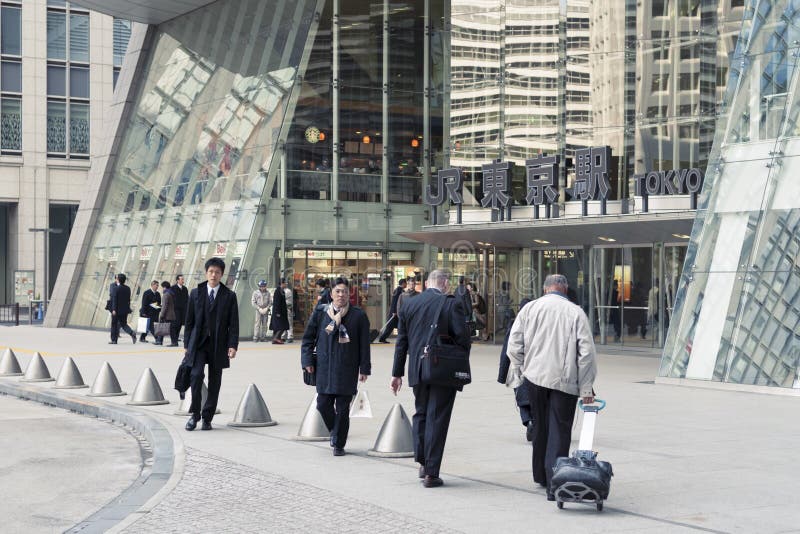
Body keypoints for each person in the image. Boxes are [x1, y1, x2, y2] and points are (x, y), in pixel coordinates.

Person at [506, 274, 597, 500]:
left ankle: (540, 475)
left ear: (546, 289)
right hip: (564, 380)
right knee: (560, 429)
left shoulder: (529, 309)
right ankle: (554, 482)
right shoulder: (576, 312)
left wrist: (520, 367)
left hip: (535, 376)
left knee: (541, 426)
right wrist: (586, 387)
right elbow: (586, 354)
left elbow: (514, 343)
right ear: (564, 289)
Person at [391, 269, 471, 488]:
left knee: (422, 413)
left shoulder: (409, 304)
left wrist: (396, 373)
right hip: (440, 369)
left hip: (417, 369)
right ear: (445, 283)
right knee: (438, 417)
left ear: (427, 284)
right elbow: (463, 337)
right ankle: (432, 473)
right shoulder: (450, 303)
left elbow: (402, 342)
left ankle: (423, 463)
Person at [301, 277, 371, 456]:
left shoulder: (358, 315)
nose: (341, 295)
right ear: (331, 293)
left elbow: (364, 344)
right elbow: (308, 338)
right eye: (338, 291)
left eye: (345, 292)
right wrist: (307, 360)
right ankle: (335, 431)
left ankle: (339, 444)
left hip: (347, 368)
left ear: (349, 294)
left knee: (342, 408)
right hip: (324, 367)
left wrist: (364, 368)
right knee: (322, 404)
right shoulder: (320, 313)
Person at [183, 258, 239, 431]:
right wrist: (186, 344)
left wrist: (233, 345)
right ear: (206, 273)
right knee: (196, 375)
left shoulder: (229, 296)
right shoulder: (195, 293)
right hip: (198, 344)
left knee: (215, 382)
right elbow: (189, 321)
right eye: (211, 271)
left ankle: (207, 417)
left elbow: (234, 323)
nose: (213, 275)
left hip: (219, 345)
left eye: (217, 272)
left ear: (221, 274)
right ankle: (195, 415)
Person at [497, 298, 533, 441]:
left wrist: (502, 374)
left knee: (522, 397)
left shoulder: (515, 323)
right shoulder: (539, 323)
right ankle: (535, 422)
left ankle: (529, 421)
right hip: (536, 367)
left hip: (518, 367)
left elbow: (507, 349)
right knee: (535, 398)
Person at [378, 278, 407, 343]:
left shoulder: (399, 290)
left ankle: (400, 339)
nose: (406, 284)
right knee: (391, 326)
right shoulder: (399, 291)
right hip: (395, 313)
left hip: (397, 312)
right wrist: (394, 311)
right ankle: (382, 338)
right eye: (406, 283)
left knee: (398, 326)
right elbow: (395, 301)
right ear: (403, 283)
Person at [110, 273, 136, 344]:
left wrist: (114, 309)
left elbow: (114, 300)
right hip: (125, 310)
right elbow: (128, 300)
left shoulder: (116, 288)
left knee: (114, 324)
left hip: (117, 310)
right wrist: (128, 308)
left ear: (118, 279)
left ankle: (114, 340)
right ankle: (131, 332)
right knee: (124, 324)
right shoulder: (128, 288)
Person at [270, 277, 289, 344]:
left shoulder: (281, 291)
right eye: (285, 283)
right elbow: (277, 302)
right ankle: (276, 338)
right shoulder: (278, 291)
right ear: (282, 283)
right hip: (278, 312)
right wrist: (277, 312)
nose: (286, 284)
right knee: (281, 326)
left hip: (281, 312)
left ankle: (276, 339)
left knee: (277, 326)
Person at [172, 274, 189, 342]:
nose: (183, 280)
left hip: (183, 310)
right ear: (177, 280)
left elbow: (187, 298)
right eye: (181, 279)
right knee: (176, 323)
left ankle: (176, 337)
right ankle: (174, 338)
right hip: (175, 309)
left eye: (183, 279)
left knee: (180, 324)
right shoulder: (173, 288)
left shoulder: (185, 289)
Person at [158, 281, 176, 346]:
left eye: (162, 287)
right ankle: (159, 341)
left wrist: (162, 315)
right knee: (170, 329)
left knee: (166, 328)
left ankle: (173, 342)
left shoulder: (166, 294)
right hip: (171, 314)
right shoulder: (171, 293)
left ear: (164, 287)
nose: (162, 289)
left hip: (167, 315)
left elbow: (164, 306)